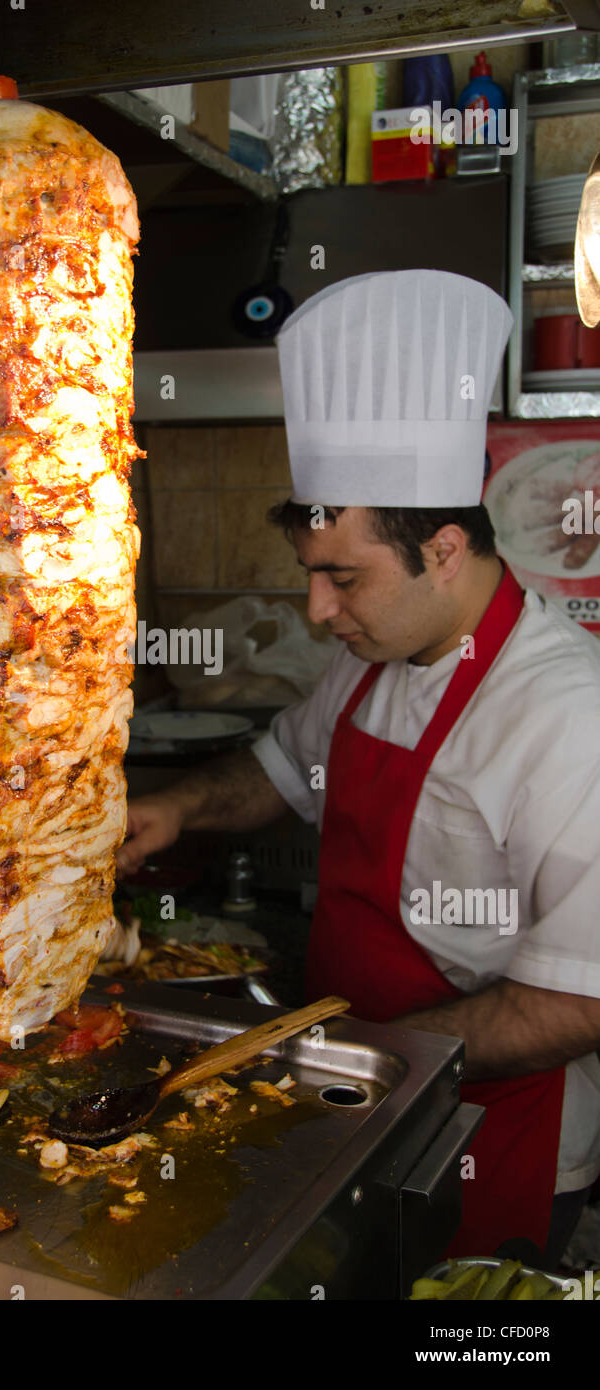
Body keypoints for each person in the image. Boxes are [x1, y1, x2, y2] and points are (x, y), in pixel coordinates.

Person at [116, 270, 600, 1263]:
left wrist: (382, 1054)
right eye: (311, 576)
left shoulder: (567, 717)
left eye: (342, 577)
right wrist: (175, 808)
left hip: (488, 1126)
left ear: (444, 550)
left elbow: (577, 1002)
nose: (317, 612)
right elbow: (278, 771)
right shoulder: (372, 657)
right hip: (348, 1093)